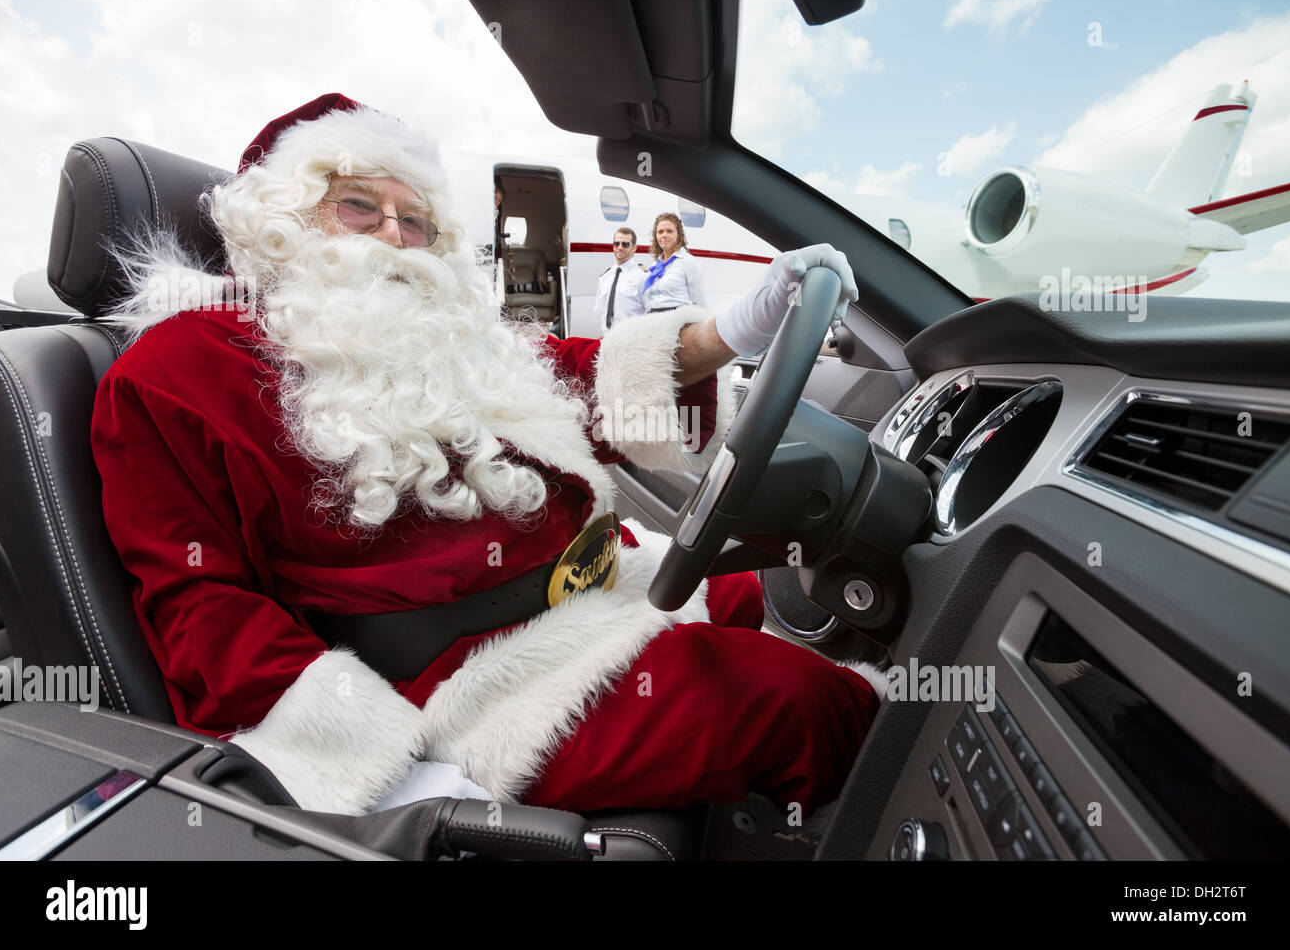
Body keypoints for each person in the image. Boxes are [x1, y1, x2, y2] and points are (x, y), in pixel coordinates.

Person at [91, 93, 876, 820]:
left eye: (417, 220)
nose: (397, 234)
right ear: (281, 220)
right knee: (797, 702)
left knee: (766, 591)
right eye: (360, 206)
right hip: (474, 687)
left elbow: (569, 379)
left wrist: (732, 330)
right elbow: (200, 604)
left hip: (600, 587)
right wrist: (384, 764)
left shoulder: (438, 330)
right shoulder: (175, 374)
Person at [640, 212, 705, 314]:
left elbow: (700, 302)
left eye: (669, 231)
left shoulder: (688, 262)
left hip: (678, 322)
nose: (664, 235)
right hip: (654, 321)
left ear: (679, 235)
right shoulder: (654, 267)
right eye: (660, 232)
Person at [594, 226, 647, 332]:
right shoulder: (605, 277)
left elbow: (651, 312)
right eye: (616, 243)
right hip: (608, 340)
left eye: (625, 244)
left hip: (633, 340)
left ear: (634, 248)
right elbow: (601, 311)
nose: (620, 247)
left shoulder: (643, 276)